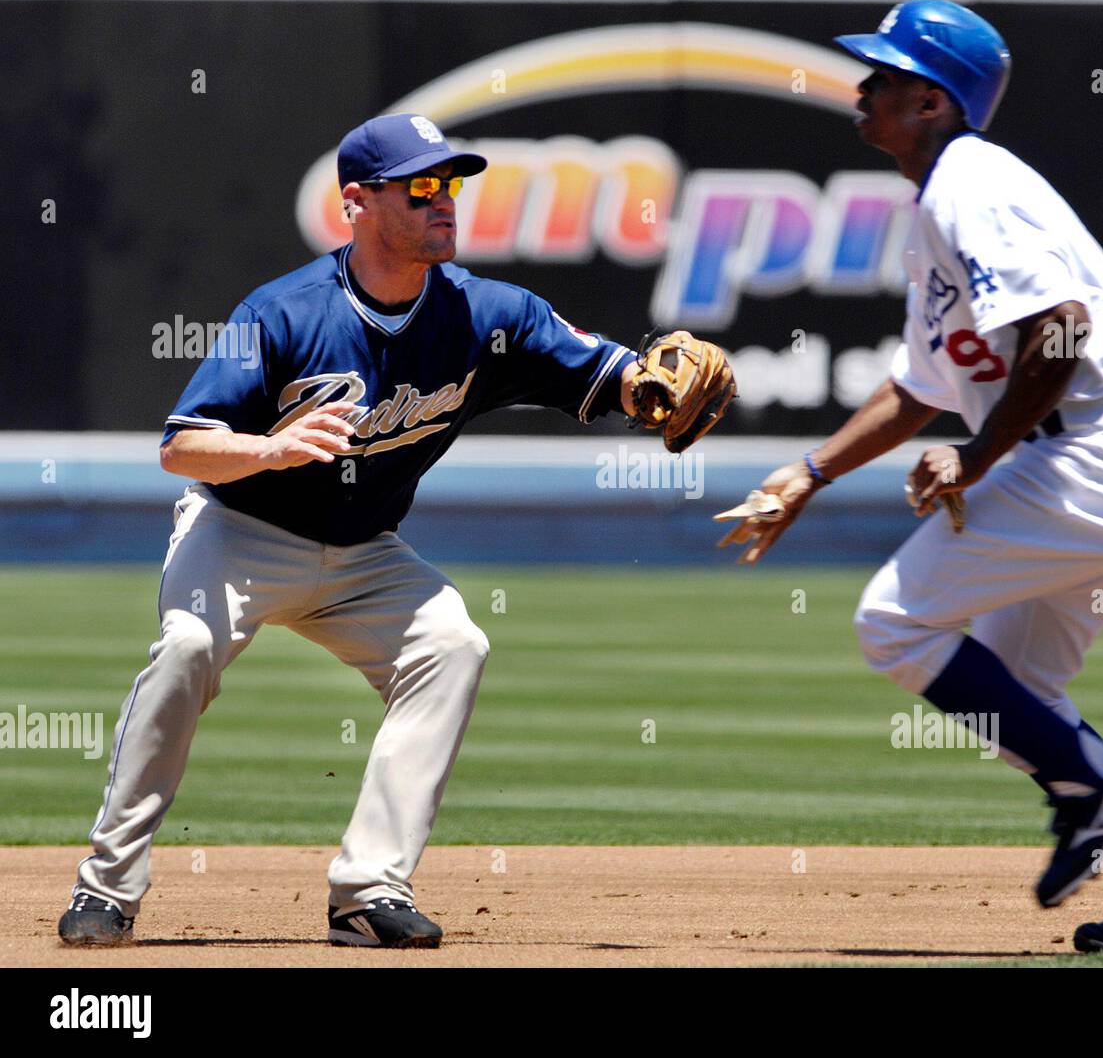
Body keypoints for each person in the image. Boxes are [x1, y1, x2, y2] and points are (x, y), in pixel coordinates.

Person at [59, 113, 671, 949]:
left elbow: (610, 373)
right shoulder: (284, 312)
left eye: (451, 183)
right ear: (358, 202)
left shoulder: (487, 313)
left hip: (364, 556)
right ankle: (107, 889)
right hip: (241, 532)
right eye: (421, 186)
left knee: (453, 643)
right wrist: (270, 448)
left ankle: (367, 890)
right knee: (185, 650)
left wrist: (653, 391)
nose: (443, 201)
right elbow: (180, 446)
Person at [727, 0, 1103, 953]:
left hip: (1096, 449)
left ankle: (1102, 786)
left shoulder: (971, 184)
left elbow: (1060, 328)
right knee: (1011, 686)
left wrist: (978, 455)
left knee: (892, 621)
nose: (863, 88)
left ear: (931, 101)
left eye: (882, 76)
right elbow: (919, 389)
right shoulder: (942, 196)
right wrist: (807, 473)